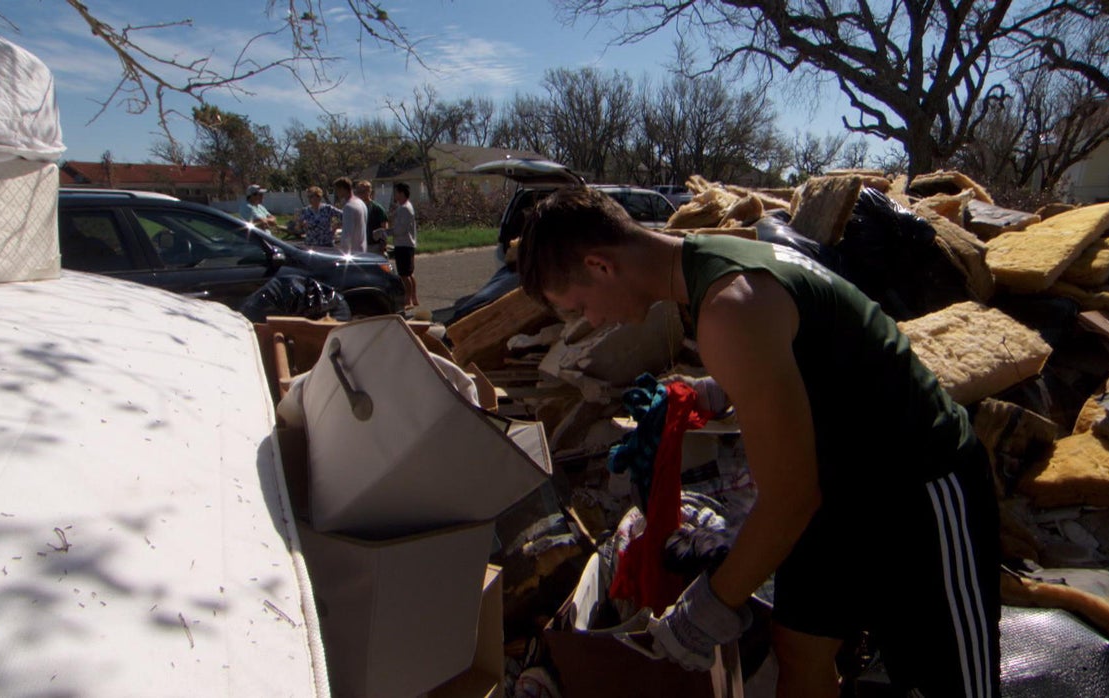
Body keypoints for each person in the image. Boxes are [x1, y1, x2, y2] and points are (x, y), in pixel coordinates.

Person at [517, 187, 1000, 698]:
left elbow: (790, 500)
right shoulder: (713, 259)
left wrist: (704, 610)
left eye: (581, 306)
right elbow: (805, 345)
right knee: (800, 647)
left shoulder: (729, 307)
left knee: (950, 685)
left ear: (600, 265)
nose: (592, 321)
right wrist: (719, 388)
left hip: (918, 486)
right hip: (840, 478)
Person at [391, 182, 418, 308]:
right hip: (407, 244)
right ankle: (413, 297)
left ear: (401, 193)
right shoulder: (403, 207)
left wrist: (388, 232)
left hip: (403, 244)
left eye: (396, 192)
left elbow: (400, 229)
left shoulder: (404, 208)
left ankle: (408, 299)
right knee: (409, 273)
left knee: (404, 274)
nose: (395, 195)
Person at [355, 179, 390, 256]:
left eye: (363, 191)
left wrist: (383, 244)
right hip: (360, 245)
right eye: (358, 192)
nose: (360, 194)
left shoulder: (377, 208)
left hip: (374, 246)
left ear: (369, 192)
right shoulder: (356, 208)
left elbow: (384, 228)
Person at [333, 177, 367, 255]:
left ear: (342, 189)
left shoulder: (349, 207)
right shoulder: (361, 203)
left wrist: (344, 253)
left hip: (352, 253)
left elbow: (347, 234)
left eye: (337, 190)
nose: (336, 193)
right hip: (362, 250)